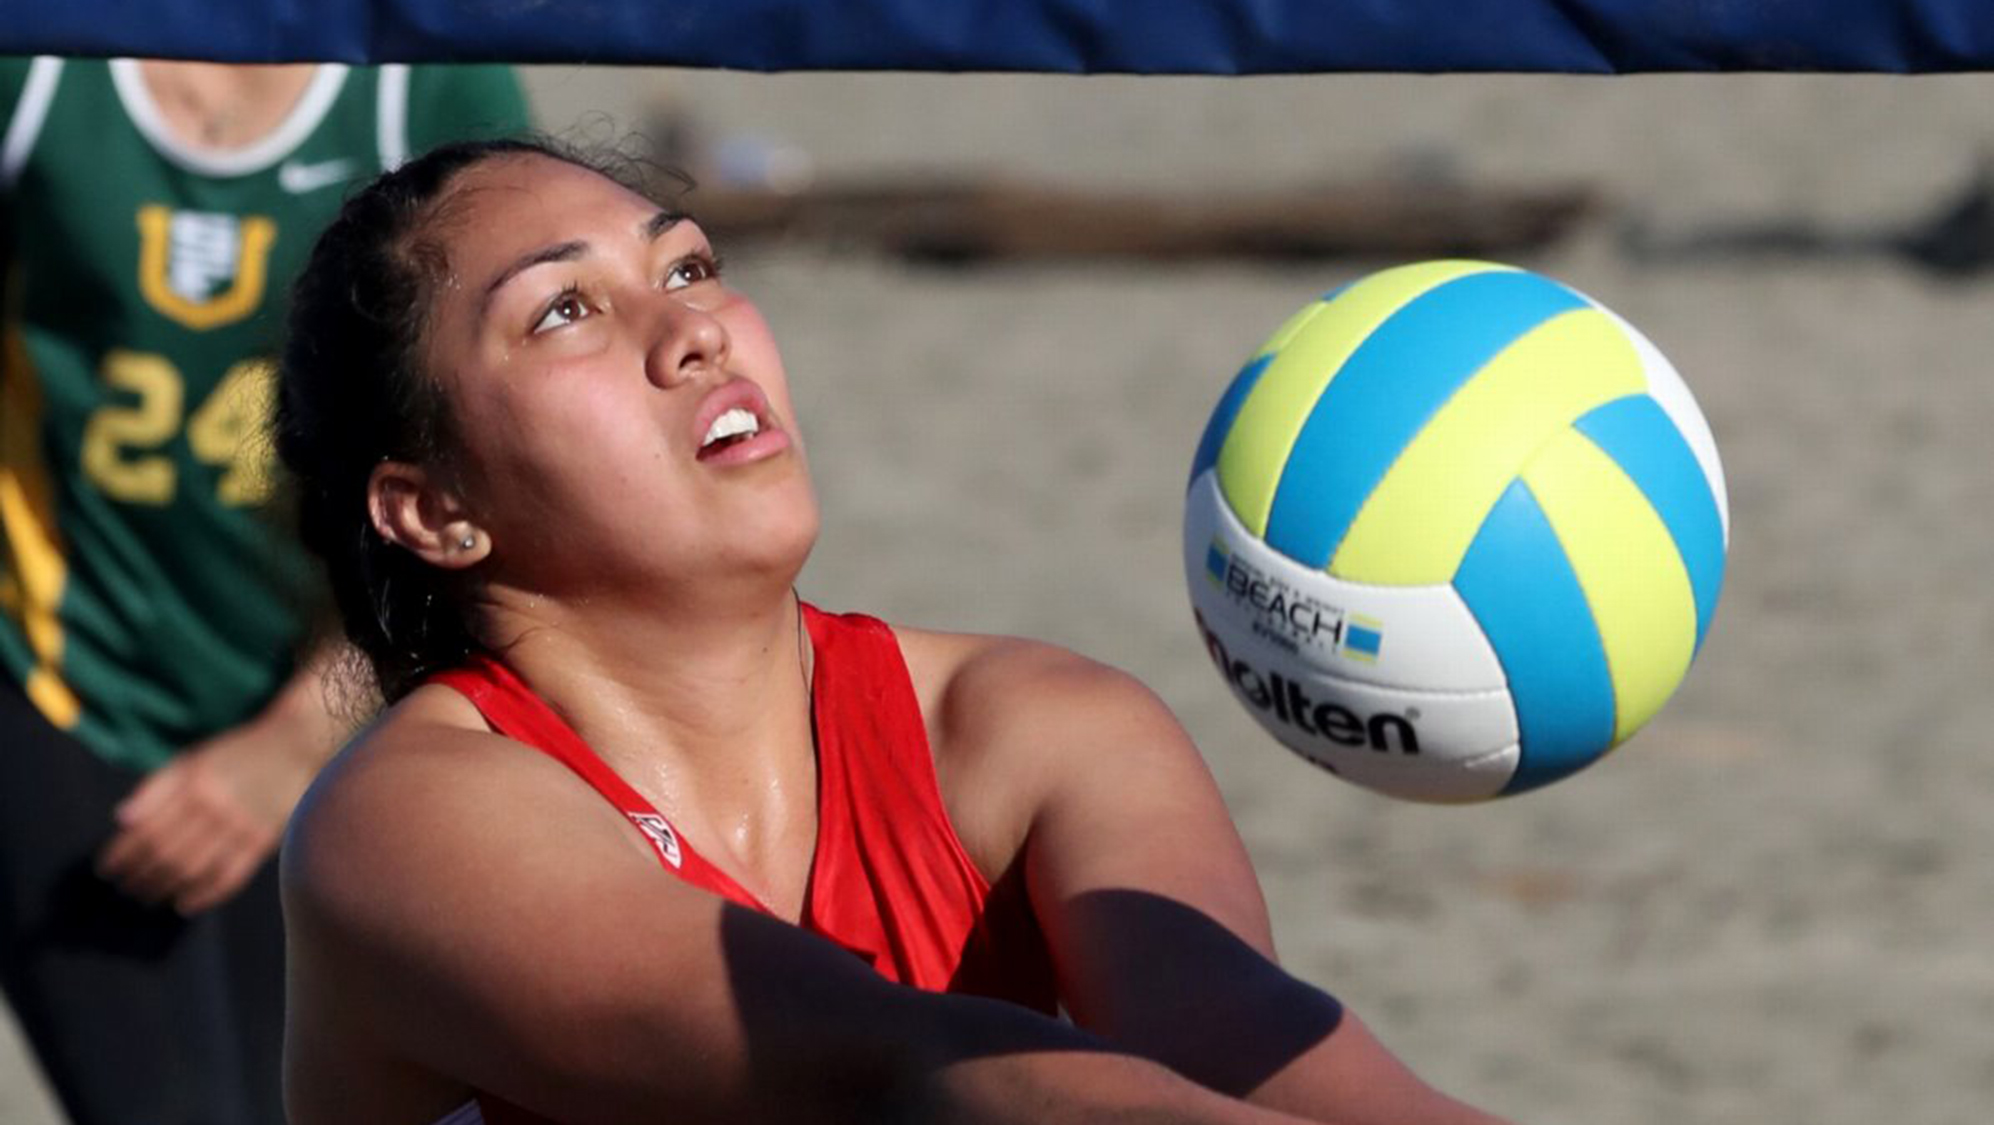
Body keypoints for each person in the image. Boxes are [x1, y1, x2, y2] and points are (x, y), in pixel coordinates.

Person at [274, 137, 1513, 1125]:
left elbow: (1243, 1051)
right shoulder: (406, 827)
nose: (696, 330)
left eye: (690, 267)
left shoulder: (1034, 727)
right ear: (434, 512)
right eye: (562, 312)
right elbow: (886, 1073)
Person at [0, 59, 526, 1125]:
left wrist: (296, 739)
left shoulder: (424, 79)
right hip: (58, 669)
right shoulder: (42, 59)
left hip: (348, 679)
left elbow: (499, 458)